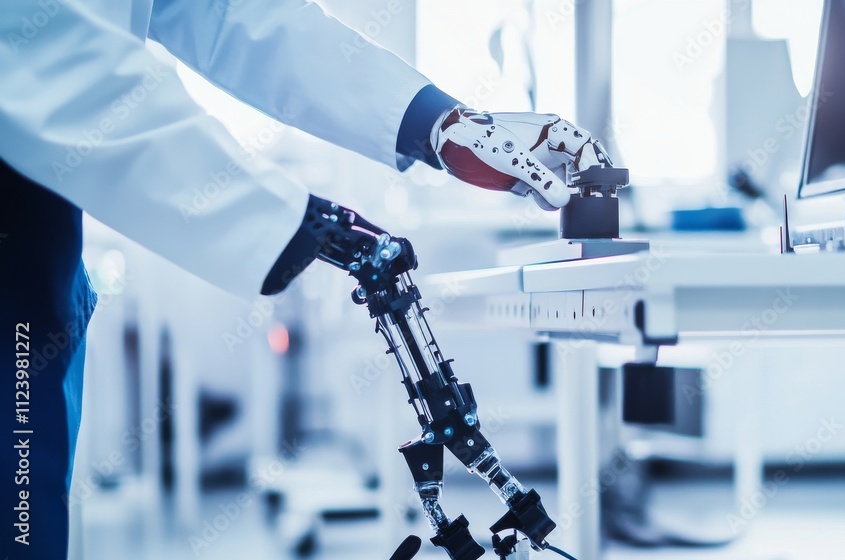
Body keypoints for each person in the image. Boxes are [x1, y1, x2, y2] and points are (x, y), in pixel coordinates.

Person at [0, 1, 606, 558]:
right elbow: (38, 52)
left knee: (30, 510)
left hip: (42, 233)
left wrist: (440, 124)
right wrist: (299, 221)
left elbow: (225, 11)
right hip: (18, 205)